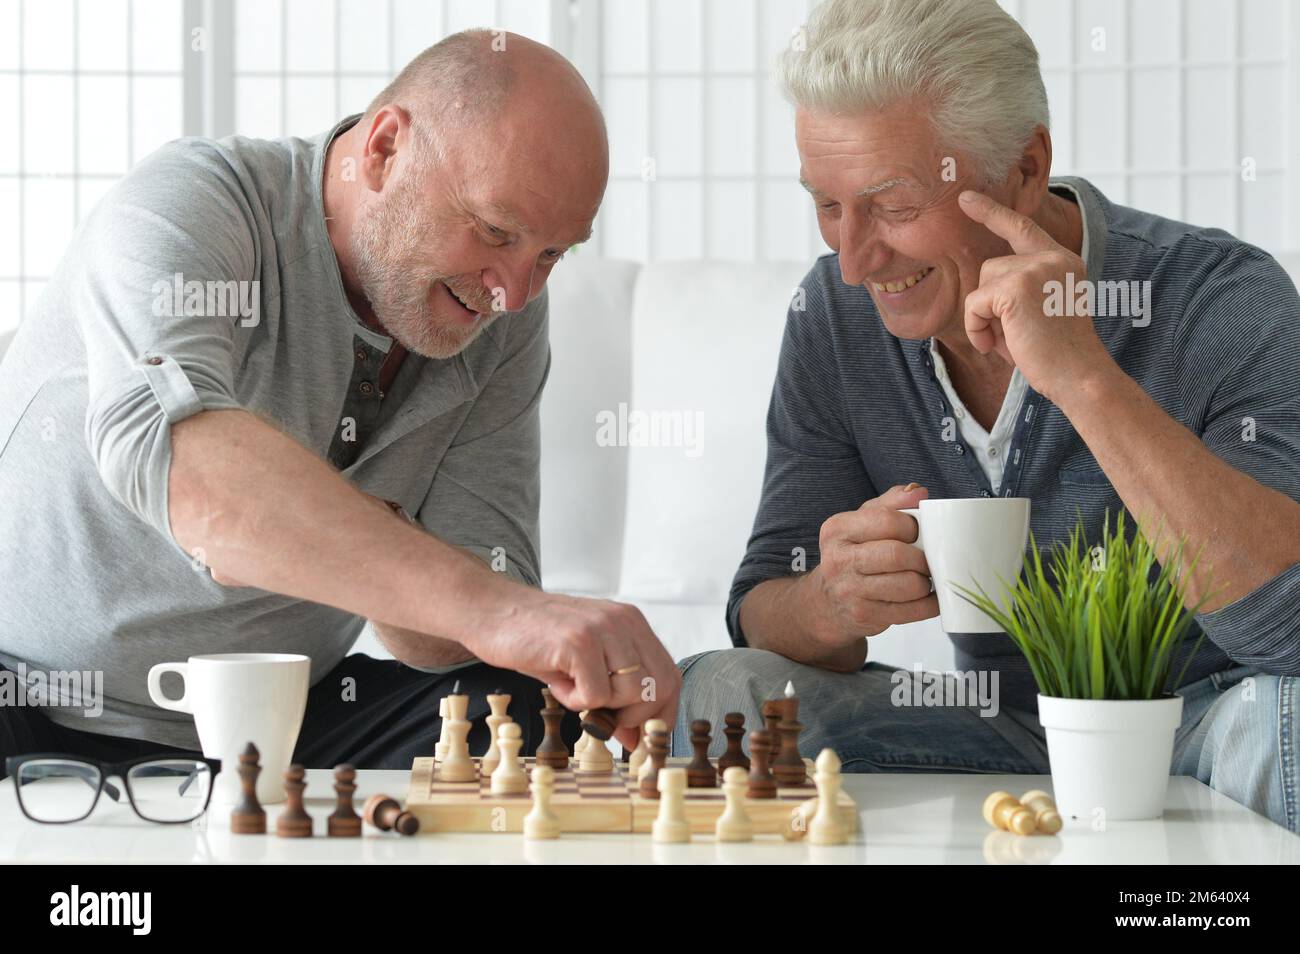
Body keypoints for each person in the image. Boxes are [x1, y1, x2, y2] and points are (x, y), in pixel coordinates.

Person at [675, 0, 1300, 832]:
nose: (854, 259)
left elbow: (1288, 629)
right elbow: (758, 608)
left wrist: (1084, 377)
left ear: (1024, 167)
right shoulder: (834, 314)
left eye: (892, 205)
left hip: (1195, 727)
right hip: (988, 723)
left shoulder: (1221, 298)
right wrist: (831, 599)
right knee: (723, 686)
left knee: (1286, 716)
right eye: (828, 204)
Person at [0, 30, 679, 774]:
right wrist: (491, 605)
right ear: (385, 149)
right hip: (28, 695)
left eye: (552, 254)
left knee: (514, 712)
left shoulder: (506, 321)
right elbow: (181, 466)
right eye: (494, 230)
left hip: (283, 718)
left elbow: (470, 619)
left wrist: (490, 608)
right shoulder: (199, 201)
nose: (513, 292)